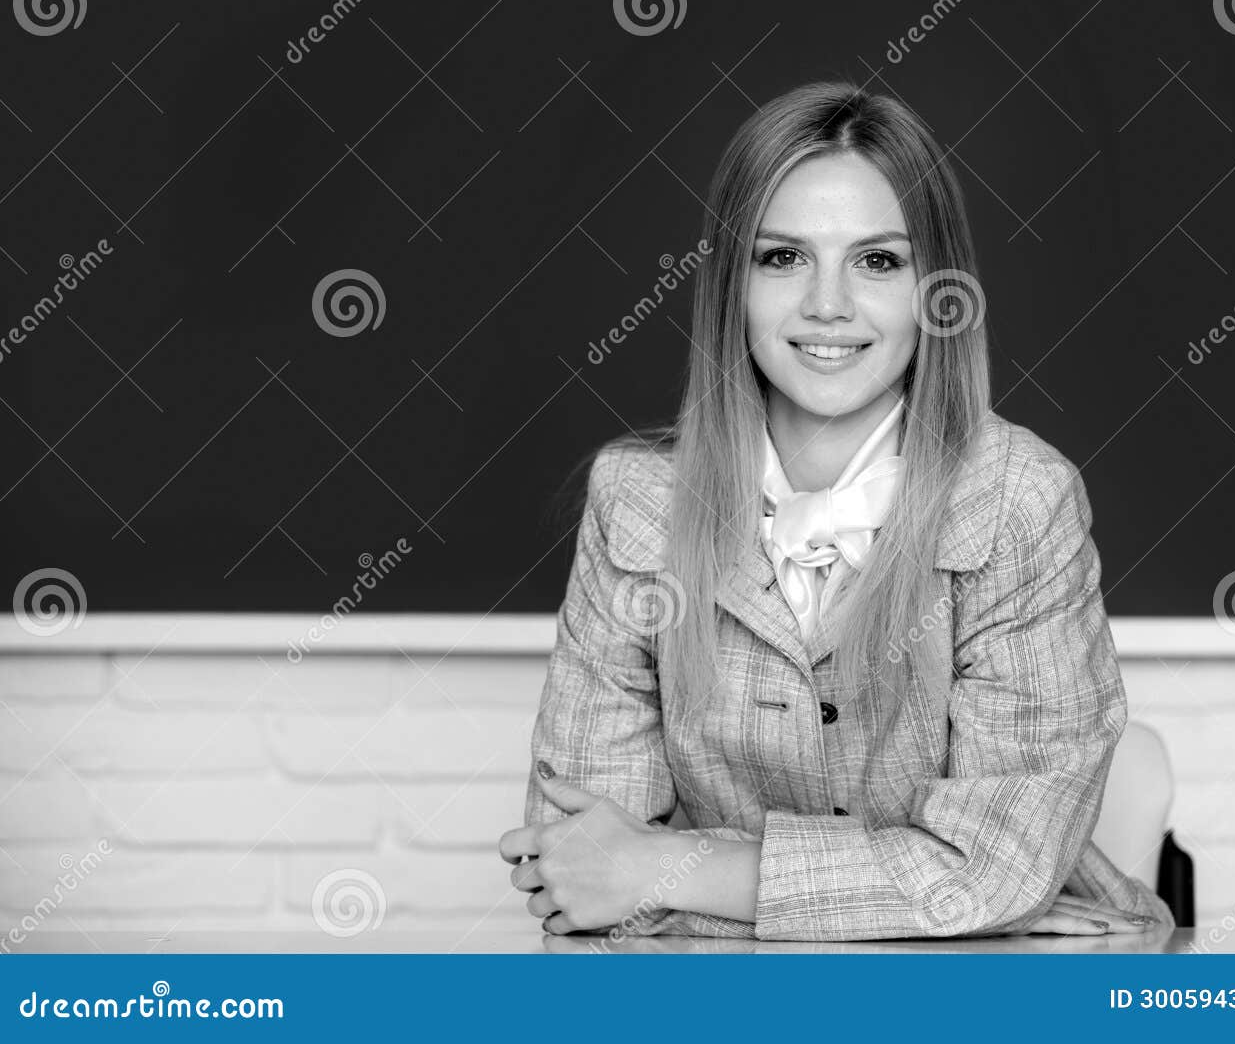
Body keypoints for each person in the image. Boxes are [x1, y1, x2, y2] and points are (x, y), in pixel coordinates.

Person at [497, 80, 1174, 941]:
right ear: (732, 285)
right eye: (783, 257)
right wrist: (939, 901)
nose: (828, 305)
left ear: (935, 289)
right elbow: (582, 869)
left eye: (877, 261)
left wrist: (675, 869)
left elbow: (998, 867)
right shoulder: (635, 503)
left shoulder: (1019, 501)